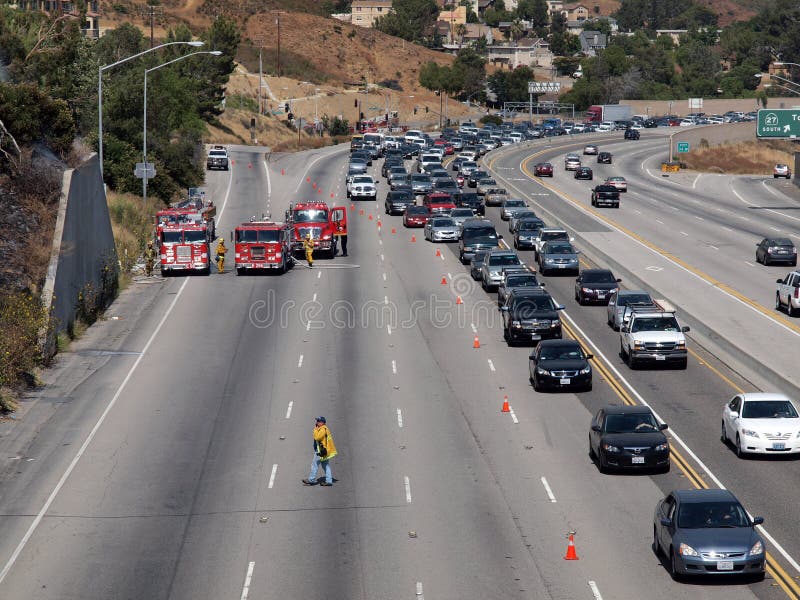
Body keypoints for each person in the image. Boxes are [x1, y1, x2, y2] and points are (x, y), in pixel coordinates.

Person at [302, 417, 337, 486]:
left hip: (320, 451)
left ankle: (311, 479)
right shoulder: (323, 428)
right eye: (317, 421)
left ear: (322, 423)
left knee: (314, 465)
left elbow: (317, 437)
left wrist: (315, 429)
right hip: (324, 451)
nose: (317, 422)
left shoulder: (322, 429)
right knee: (326, 466)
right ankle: (329, 481)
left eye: (318, 421)